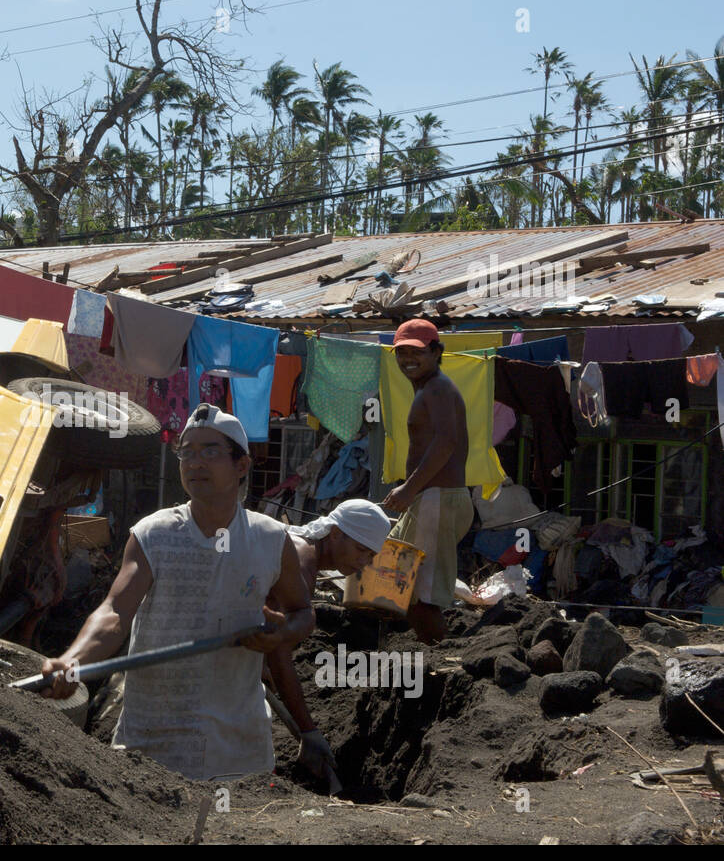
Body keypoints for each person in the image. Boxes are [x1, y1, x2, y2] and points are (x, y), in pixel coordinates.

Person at [38, 404, 315, 782]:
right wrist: (73, 660)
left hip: (237, 746)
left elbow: (303, 613)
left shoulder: (270, 539)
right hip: (154, 740)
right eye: (187, 452)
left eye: (210, 451)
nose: (195, 462)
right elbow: (115, 612)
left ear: (242, 466)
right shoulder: (154, 534)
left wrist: (282, 634)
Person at [275, 499, 393, 780]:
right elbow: (276, 650)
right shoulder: (301, 559)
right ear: (336, 532)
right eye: (360, 550)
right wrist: (308, 730)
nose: (363, 561)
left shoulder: (304, 551)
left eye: (370, 556)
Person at [380, 318, 473, 643]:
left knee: (419, 594)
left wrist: (409, 488)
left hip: (437, 499)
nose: (408, 360)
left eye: (416, 352)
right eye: (401, 353)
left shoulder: (438, 388)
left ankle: (440, 658)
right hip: (431, 498)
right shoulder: (430, 388)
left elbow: (446, 442)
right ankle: (426, 649)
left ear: (435, 352)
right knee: (395, 581)